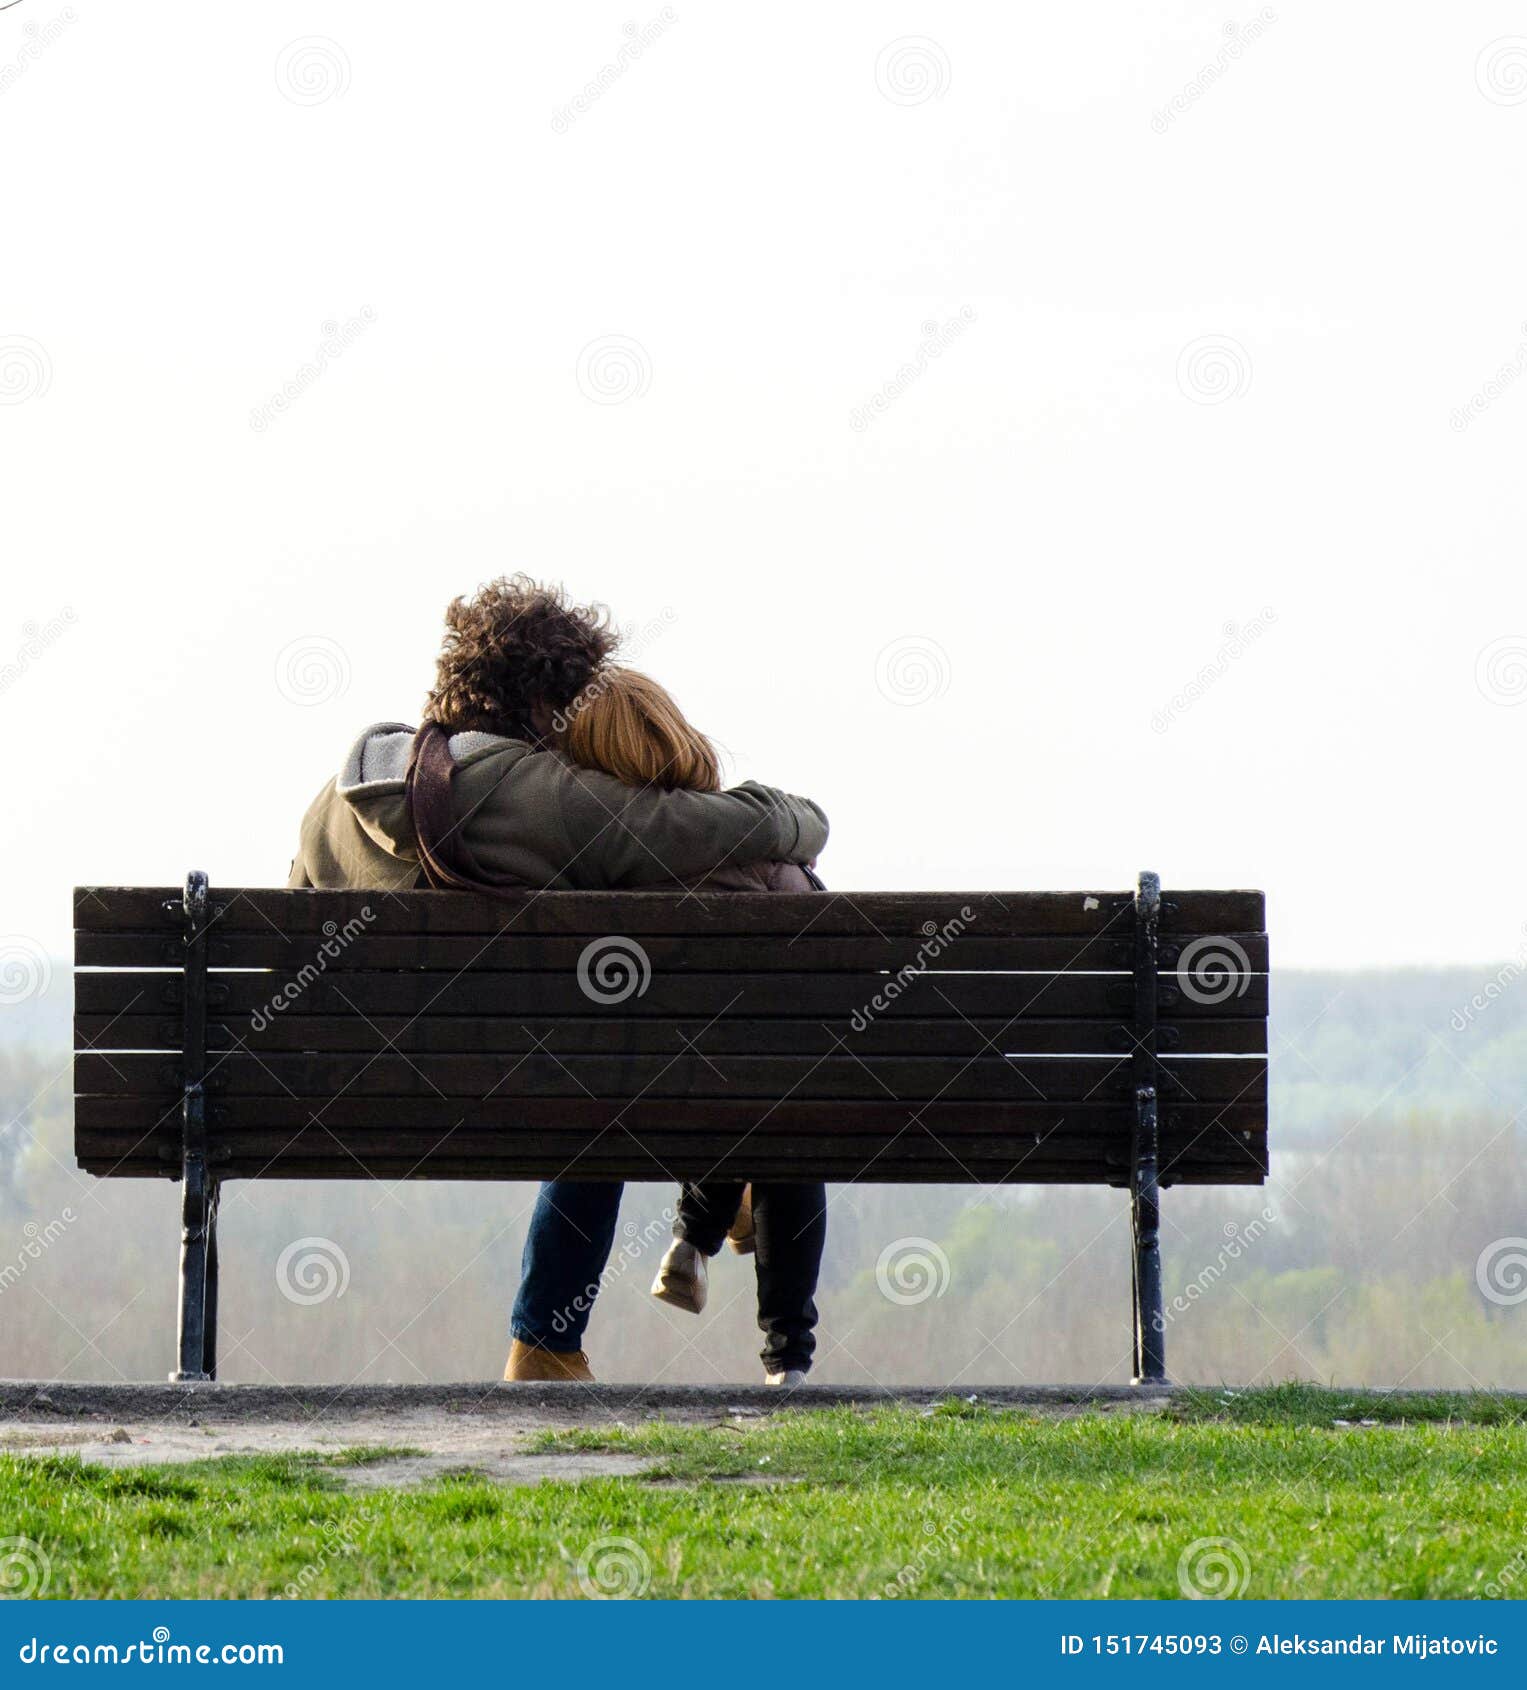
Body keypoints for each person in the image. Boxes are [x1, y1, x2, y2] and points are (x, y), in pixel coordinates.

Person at [286, 576, 829, 1384]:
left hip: (347, 1092)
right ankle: (547, 1341)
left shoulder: (340, 793)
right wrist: (800, 818)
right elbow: (720, 825)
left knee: (578, 1059)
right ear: (546, 706)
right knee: (591, 1074)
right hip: (530, 1095)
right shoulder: (538, 796)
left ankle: (556, 1339)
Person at [556, 666, 828, 1387]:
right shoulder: (761, 849)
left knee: (724, 1076)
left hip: (637, 1101)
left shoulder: (589, 865)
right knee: (778, 1104)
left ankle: (694, 1234)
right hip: (767, 1096)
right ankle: (786, 1358)